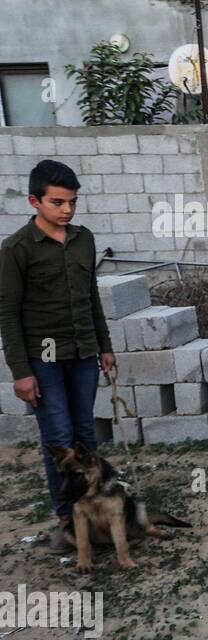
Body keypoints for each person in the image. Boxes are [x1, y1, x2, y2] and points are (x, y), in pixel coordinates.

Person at [0, 160, 115, 554]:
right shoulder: (16, 249)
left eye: (72, 202)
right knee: (59, 441)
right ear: (35, 201)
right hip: (42, 361)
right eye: (57, 202)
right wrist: (20, 372)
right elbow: (7, 312)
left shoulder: (84, 239)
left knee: (85, 436)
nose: (66, 210)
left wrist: (105, 345)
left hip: (83, 354)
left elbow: (91, 297)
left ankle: (94, 513)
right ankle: (67, 521)